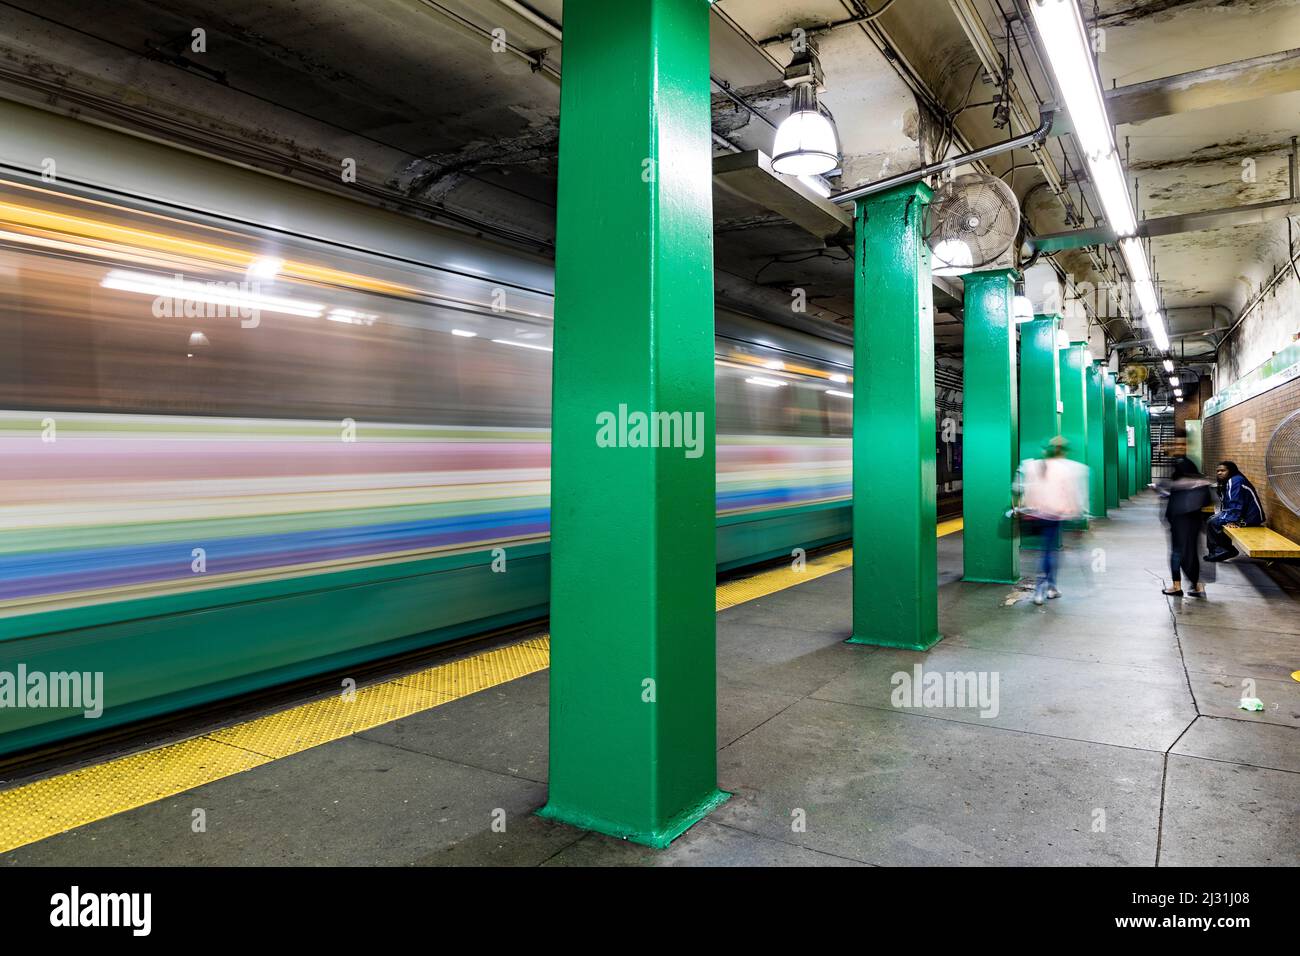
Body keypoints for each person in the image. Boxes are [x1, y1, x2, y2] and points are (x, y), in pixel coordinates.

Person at [1015, 436, 1089, 605]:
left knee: (1045, 550)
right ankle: (1046, 588)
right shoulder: (1066, 469)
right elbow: (1072, 495)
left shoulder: (1033, 466)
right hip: (1055, 515)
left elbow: (1020, 487)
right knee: (1050, 551)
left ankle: (1048, 586)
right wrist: (1078, 516)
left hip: (1036, 515)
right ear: (1063, 451)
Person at [1160, 456, 1212, 597]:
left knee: (1177, 554)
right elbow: (1206, 502)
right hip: (1193, 524)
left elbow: (1173, 504)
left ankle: (1177, 586)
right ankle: (1197, 586)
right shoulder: (1200, 483)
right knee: (1193, 554)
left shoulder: (1178, 483)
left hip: (1179, 525)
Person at [1206, 460, 1265, 561]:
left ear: (1231, 471)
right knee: (1213, 518)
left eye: (1223, 470)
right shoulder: (1231, 480)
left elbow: (1235, 502)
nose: (1219, 473)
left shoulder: (1235, 481)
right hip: (1245, 515)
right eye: (1218, 471)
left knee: (1213, 522)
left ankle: (1223, 550)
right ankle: (1223, 549)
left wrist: (1231, 519)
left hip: (1250, 518)